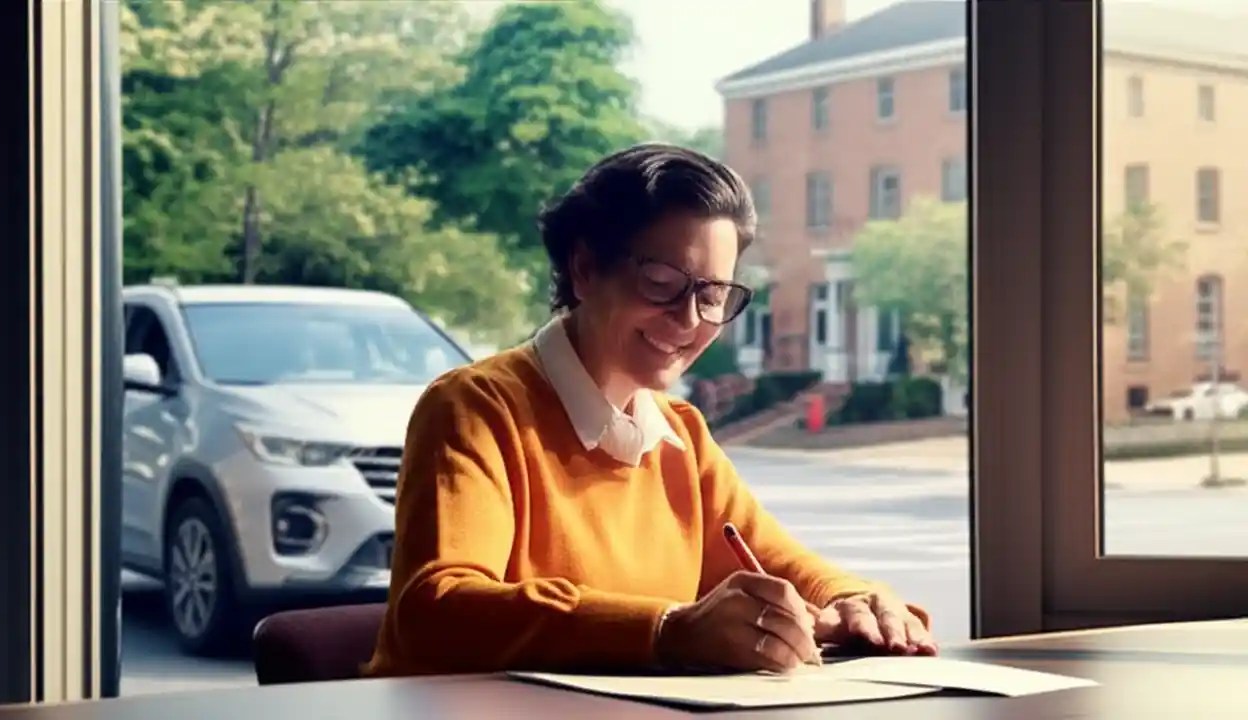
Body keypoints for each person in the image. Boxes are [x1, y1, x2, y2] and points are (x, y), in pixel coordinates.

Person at [364, 143, 934, 678]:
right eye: (661, 284)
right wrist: (666, 629)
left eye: (713, 296)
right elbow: (435, 609)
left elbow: (778, 564)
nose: (690, 320)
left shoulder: (679, 434)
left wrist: (854, 599)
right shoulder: (475, 409)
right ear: (584, 268)